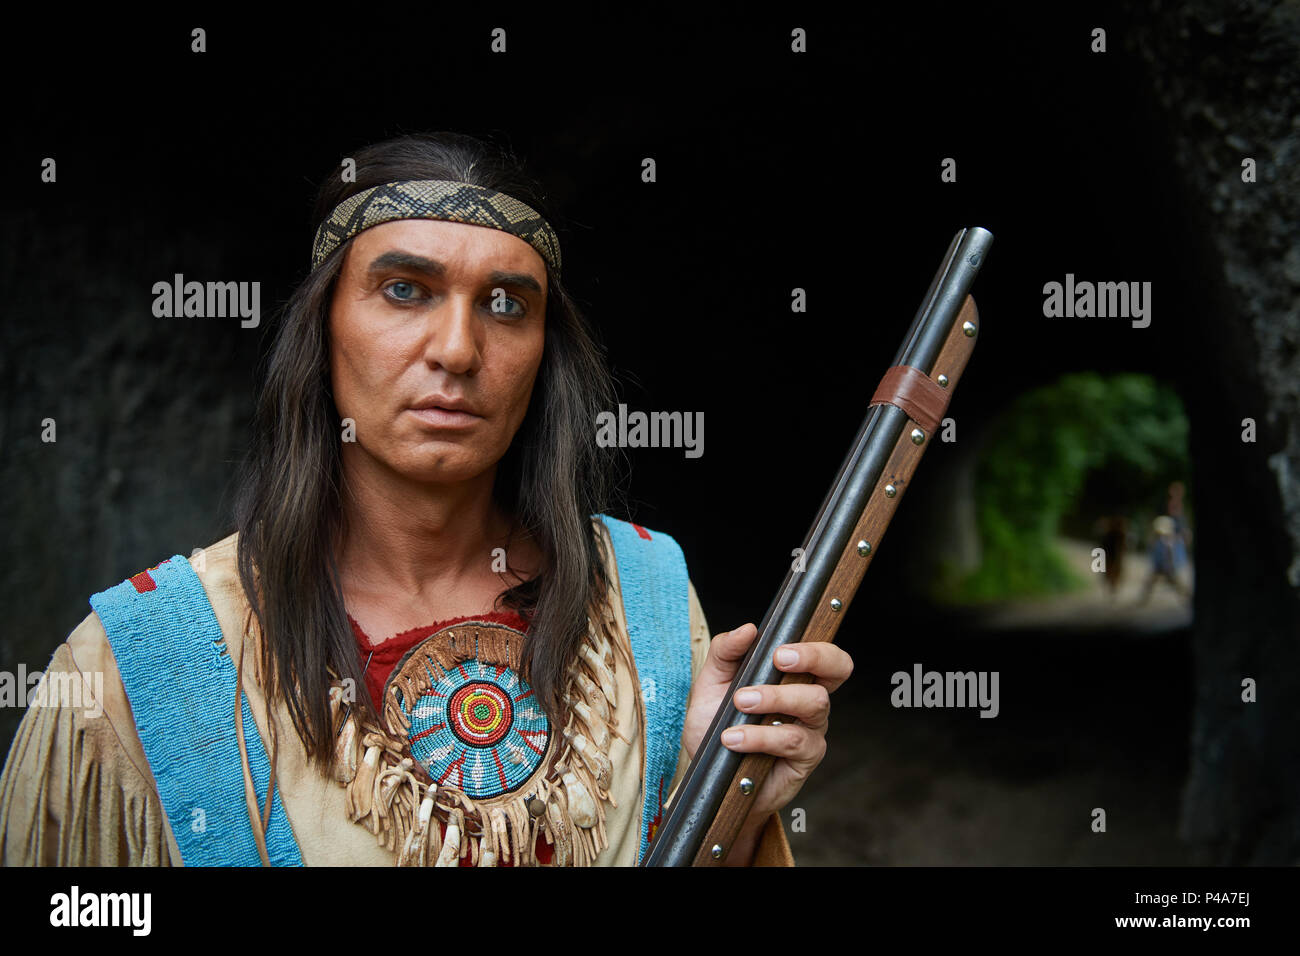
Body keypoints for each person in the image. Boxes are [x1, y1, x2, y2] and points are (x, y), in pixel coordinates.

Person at [0, 132, 853, 867]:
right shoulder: (138, 667)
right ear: (324, 326)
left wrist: (726, 799)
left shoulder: (650, 609)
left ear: (543, 355)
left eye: (506, 304)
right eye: (405, 290)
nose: (457, 348)